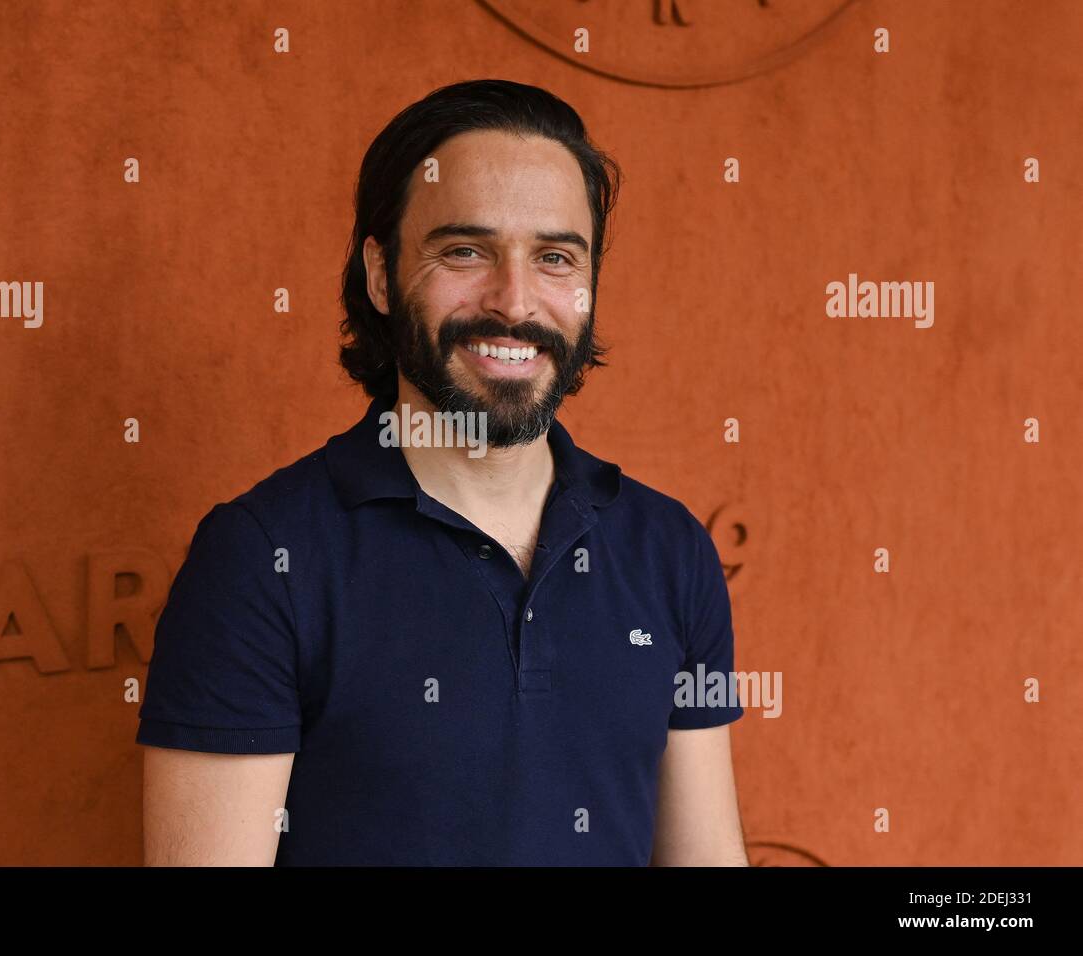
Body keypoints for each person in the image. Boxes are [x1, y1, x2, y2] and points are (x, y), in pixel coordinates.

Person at [137, 78, 748, 866]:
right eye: (465, 251)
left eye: (556, 257)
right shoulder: (262, 559)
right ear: (382, 273)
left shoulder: (670, 551)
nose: (514, 301)